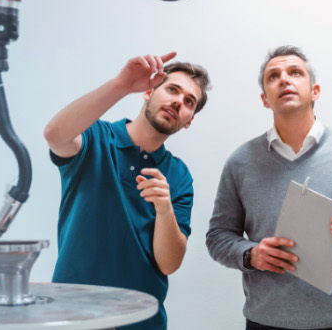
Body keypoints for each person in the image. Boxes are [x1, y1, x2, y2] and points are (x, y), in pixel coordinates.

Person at [205, 46, 332, 330]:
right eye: (273, 76)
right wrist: (251, 255)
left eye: (295, 73)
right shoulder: (240, 162)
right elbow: (218, 237)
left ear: (315, 91)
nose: (284, 79)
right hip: (265, 323)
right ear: (265, 99)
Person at [42, 52, 211, 330]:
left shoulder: (179, 176)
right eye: (172, 89)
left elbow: (169, 264)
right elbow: (54, 135)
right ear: (148, 92)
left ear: (189, 120)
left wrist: (165, 208)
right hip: (73, 317)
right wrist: (120, 86)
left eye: (189, 101)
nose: (178, 101)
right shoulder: (95, 137)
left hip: (142, 322)